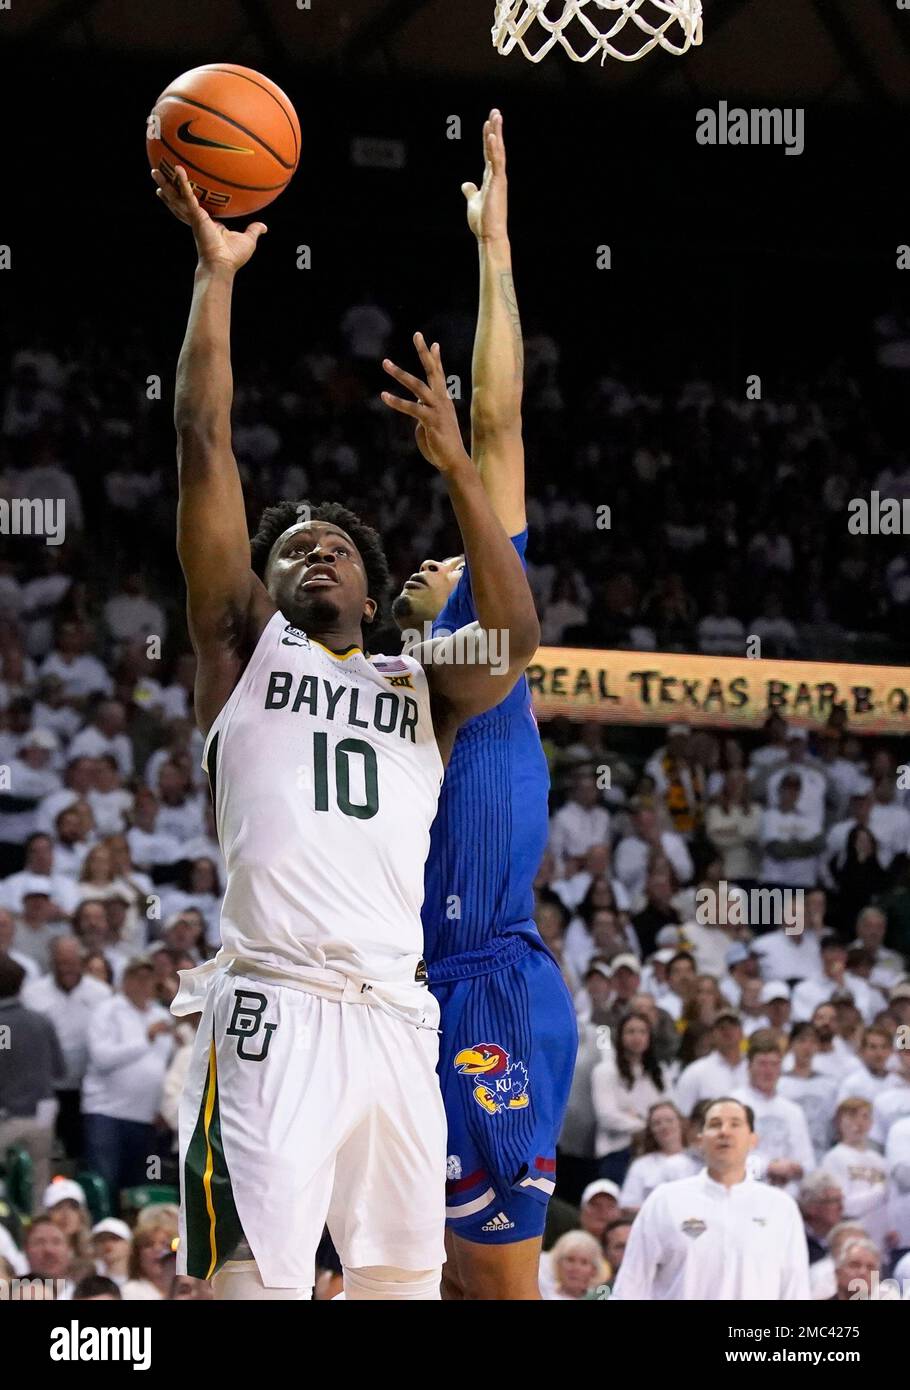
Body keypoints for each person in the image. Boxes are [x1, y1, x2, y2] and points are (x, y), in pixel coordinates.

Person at [151, 154, 541, 1304]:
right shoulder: (242, 649)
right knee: (245, 1290)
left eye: (333, 545)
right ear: (264, 589)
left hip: (394, 1015)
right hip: (270, 1002)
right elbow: (202, 439)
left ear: (372, 594)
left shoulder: (421, 681)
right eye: (289, 549)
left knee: (400, 1289)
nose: (311, 548)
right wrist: (216, 274)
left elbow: (516, 637)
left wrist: (457, 468)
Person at [388, 112, 576, 1300]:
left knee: (497, 1287)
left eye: (439, 560)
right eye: (409, 569)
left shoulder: (483, 655)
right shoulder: (374, 690)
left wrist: (494, 244)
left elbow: (498, 420)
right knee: (418, 1279)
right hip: (393, 994)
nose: (424, 565)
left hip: (491, 980)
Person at [611, 1097, 811, 1299]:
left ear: (753, 1140)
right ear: (700, 1139)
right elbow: (631, 1284)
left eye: (735, 1124)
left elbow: (795, 1289)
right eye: (715, 1124)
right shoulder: (665, 1201)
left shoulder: (780, 1207)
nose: (725, 1131)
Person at [81, 957, 174, 1196]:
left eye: (149, 978)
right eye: (138, 978)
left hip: (145, 1118)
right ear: (125, 981)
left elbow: (169, 1067)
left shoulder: (163, 1016)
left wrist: (164, 1106)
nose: (144, 984)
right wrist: (146, 1039)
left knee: (139, 1189)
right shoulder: (107, 1010)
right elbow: (101, 1058)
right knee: (105, 1182)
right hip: (106, 1113)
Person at [23, 935, 111, 1160]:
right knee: (43, 1150)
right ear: (51, 962)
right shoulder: (33, 994)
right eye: (62, 963)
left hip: (88, 1088)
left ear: (81, 962)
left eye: (72, 962)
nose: (68, 969)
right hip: (45, 1089)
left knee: (81, 1149)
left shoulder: (101, 994)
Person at [0, 956, 64, 1210]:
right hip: (41, 1119)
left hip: (6, 1120)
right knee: (37, 1188)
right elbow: (60, 1069)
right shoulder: (42, 1022)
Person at [732, 1030, 816, 1193]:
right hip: (746, 1192)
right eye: (762, 1064)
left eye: (774, 1064)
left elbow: (808, 1162)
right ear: (749, 1066)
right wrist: (768, 1168)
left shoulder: (793, 1110)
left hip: (787, 1197)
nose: (768, 1071)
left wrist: (795, 1169)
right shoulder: (733, 1104)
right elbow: (729, 1159)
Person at [591, 1012, 668, 1185]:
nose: (637, 1037)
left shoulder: (658, 1072)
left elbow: (670, 1108)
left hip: (654, 1152)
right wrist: (646, 1126)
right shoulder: (605, 1071)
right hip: (617, 1153)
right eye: (631, 1032)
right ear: (620, 1036)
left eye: (642, 1032)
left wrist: (640, 1122)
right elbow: (607, 1116)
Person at [822, 1098, 890, 1248]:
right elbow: (844, 1206)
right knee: (858, 1269)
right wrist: (879, 1192)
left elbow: (888, 1203)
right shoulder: (834, 1158)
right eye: (852, 1116)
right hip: (851, 1240)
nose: (859, 1123)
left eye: (865, 1116)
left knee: (874, 1272)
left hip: (879, 1243)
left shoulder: (880, 1161)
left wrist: (891, 1226)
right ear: (839, 1122)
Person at [619, 1102, 700, 1211]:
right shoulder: (641, 1165)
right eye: (657, 1123)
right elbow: (628, 1205)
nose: (664, 1126)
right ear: (651, 1130)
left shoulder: (699, 1159)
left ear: (681, 1123)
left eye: (669, 1120)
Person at [778, 1022, 838, 1161]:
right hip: (788, 1153)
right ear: (791, 1045)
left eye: (812, 1042)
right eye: (802, 1041)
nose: (807, 1047)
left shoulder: (829, 1085)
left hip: (821, 1152)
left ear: (817, 1046)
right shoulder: (780, 1083)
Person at [673, 1007, 747, 1119]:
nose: (727, 1031)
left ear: (741, 1033)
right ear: (713, 1035)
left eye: (732, 1026)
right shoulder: (696, 1071)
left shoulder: (755, 1069)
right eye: (721, 1027)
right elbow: (682, 1114)